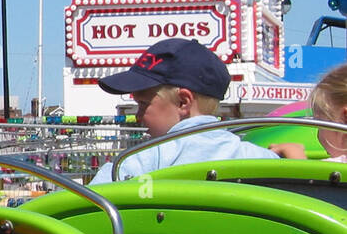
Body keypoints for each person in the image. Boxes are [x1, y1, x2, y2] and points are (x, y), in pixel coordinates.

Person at [89, 38, 281, 184]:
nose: (138, 116)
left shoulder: (145, 158)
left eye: (143, 104)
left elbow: (85, 205)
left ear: (183, 102)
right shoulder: (256, 158)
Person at [309, 62, 347, 161]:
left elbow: (311, 175)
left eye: (320, 124)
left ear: (345, 117)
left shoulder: (336, 168)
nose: (318, 136)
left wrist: (294, 154)